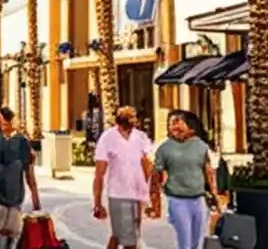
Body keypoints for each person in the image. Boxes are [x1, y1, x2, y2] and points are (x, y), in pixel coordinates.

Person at [148, 110, 218, 249]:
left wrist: (215, 195)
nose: (174, 127)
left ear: (188, 125)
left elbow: (208, 172)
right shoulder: (164, 148)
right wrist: (155, 203)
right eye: (171, 124)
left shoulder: (200, 146)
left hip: (198, 200)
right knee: (184, 242)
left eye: (177, 122)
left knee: (196, 242)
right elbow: (156, 176)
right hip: (177, 200)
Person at [0, 107, 41, 249]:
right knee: (1, 236)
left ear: (12, 122)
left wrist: (36, 202)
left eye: (6, 121)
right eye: (1, 121)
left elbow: (30, 175)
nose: (3, 124)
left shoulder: (22, 142)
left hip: (16, 199)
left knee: (13, 236)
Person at [91, 106, 153, 249]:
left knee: (124, 235)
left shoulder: (140, 137)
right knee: (129, 239)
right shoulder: (107, 138)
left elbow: (147, 165)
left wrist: (149, 191)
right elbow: (99, 173)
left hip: (137, 194)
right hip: (118, 194)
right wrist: (97, 202)